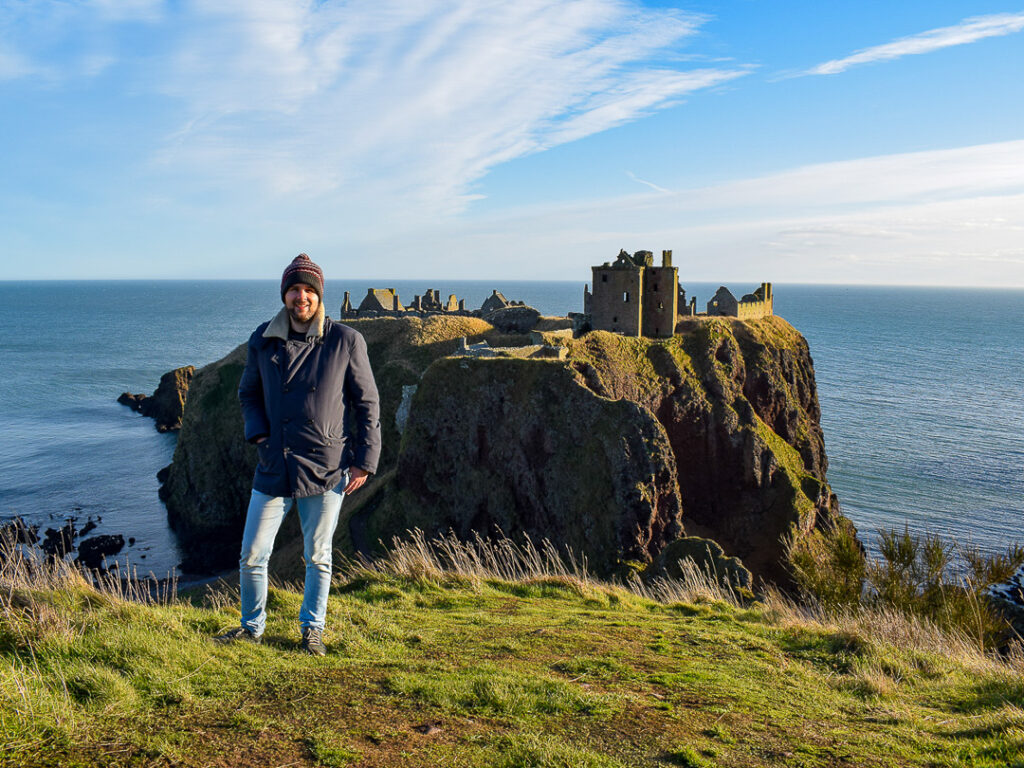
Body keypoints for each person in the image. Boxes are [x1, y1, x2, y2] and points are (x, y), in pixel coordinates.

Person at [214, 253, 381, 655]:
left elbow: (367, 404)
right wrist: (258, 436)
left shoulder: (346, 340)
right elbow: (247, 393)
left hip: (326, 467)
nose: (301, 297)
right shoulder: (262, 338)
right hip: (274, 464)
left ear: (318, 296)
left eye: (308, 290)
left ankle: (313, 630)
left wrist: (365, 461)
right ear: (284, 295)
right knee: (252, 553)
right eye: (294, 289)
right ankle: (252, 627)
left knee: (317, 556)